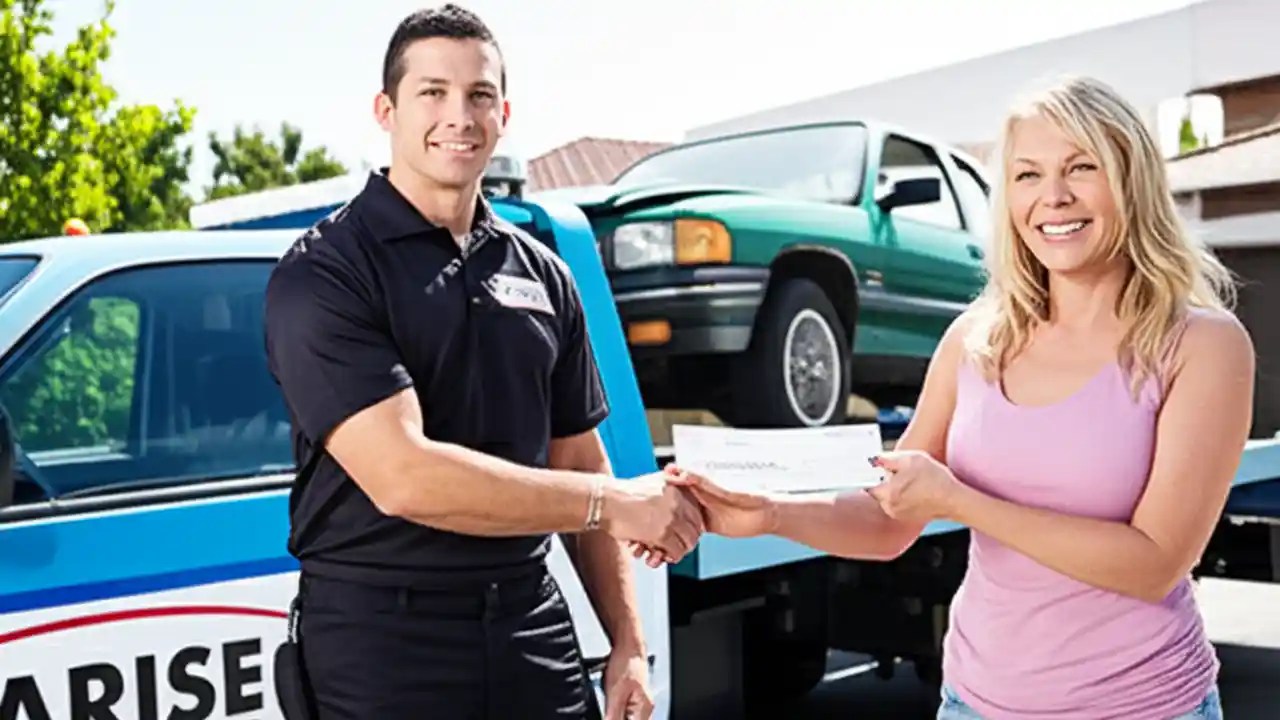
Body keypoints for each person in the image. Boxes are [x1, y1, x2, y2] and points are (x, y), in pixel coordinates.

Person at [662, 75, 1254, 720]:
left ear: (1131, 180)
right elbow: (891, 521)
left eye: (1081, 167)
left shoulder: (1201, 344)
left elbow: (1153, 564)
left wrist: (958, 499)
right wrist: (771, 515)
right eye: (1027, 175)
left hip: (1141, 706)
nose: (1052, 198)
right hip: (974, 701)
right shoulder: (977, 338)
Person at [263, 6, 703, 719]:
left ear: (503, 112)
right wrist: (617, 505)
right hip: (383, 637)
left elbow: (579, 462)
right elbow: (406, 477)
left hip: (528, 616)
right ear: (387, 110)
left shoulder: (543, 275)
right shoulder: (327, 272)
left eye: (478, 96)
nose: (458, 116)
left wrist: (627, 643)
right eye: (432, 93)